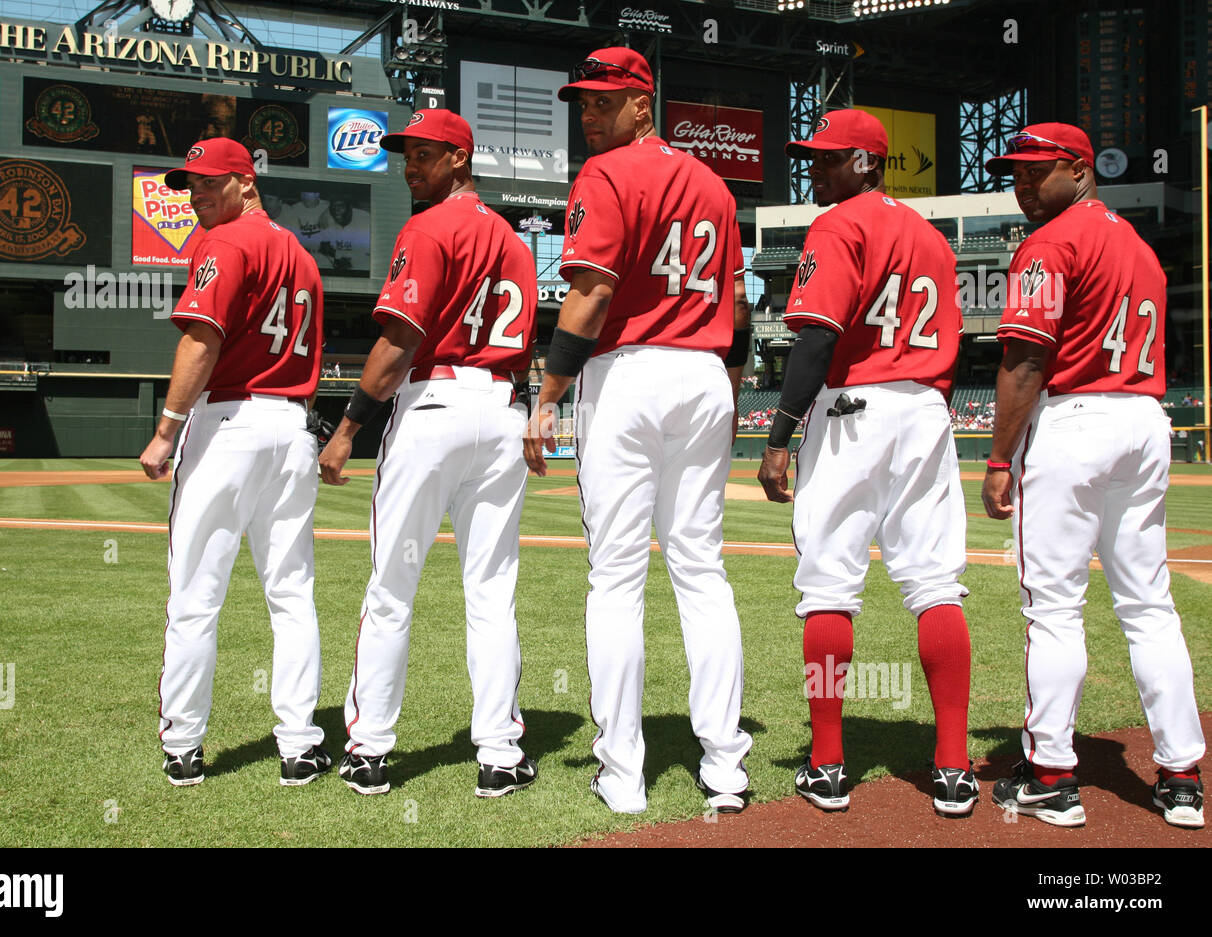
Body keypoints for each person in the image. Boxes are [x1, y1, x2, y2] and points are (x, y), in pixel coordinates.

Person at [523, 47, 753, 815]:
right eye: (582, 103)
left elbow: (589, 294)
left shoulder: (607, 175)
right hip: (702, 371)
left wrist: (547, 394)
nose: (587, 116)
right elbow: (742, 302)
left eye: (601, 102)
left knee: (617, 577)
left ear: (641, 103)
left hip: (625, 374)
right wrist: (727, 378)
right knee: (701, 568)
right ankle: (725, 763)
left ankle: (623, 771)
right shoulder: (715, 185)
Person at [981, 122, 1205, 829]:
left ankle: (1050, 773)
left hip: (1076, 417)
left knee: (1054, 607)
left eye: (1034, 169)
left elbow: (1024, 362)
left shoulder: (1051, 242)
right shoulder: (1140, 248)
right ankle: (1181, 775)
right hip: (1143, 416)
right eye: (1013, 170)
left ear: (1079, 169)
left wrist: (997, 458)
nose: (1020, 181)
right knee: (1148, 604)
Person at [757, 109, 975, 816]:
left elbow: (816, 341)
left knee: (828, 585)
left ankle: (827, 765)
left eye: (830, 158)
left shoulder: (839, 224)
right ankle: (952, 767)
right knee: (935, 580)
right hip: (924, 410)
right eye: (813, 158)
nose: (815, 169)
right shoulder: (933, 239)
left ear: (870, 163)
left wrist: (779, 433)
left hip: (855, 410)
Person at [319, 109, 540, 798]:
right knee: (491, 591)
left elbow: (397, 344)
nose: (410, 164)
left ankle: (369, 751)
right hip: (501, 409)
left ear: (460, 159)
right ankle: (500, 753)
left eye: (425, 153)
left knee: (390, 588)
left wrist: (349, 426)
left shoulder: (428, 227)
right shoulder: (516, 243)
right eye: (406, 153)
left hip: (435, 405)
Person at [139, 137, 329, 787]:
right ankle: (300, 744)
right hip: (292, 428)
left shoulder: (223, 244)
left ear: (245, 183)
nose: (195, 197)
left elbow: (202, 337)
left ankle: (184, 746)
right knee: (292, 592)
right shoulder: (301, 255)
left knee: (195, 595)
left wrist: (166, 429)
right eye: (188, 186)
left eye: (208, 184)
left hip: (229, 423)